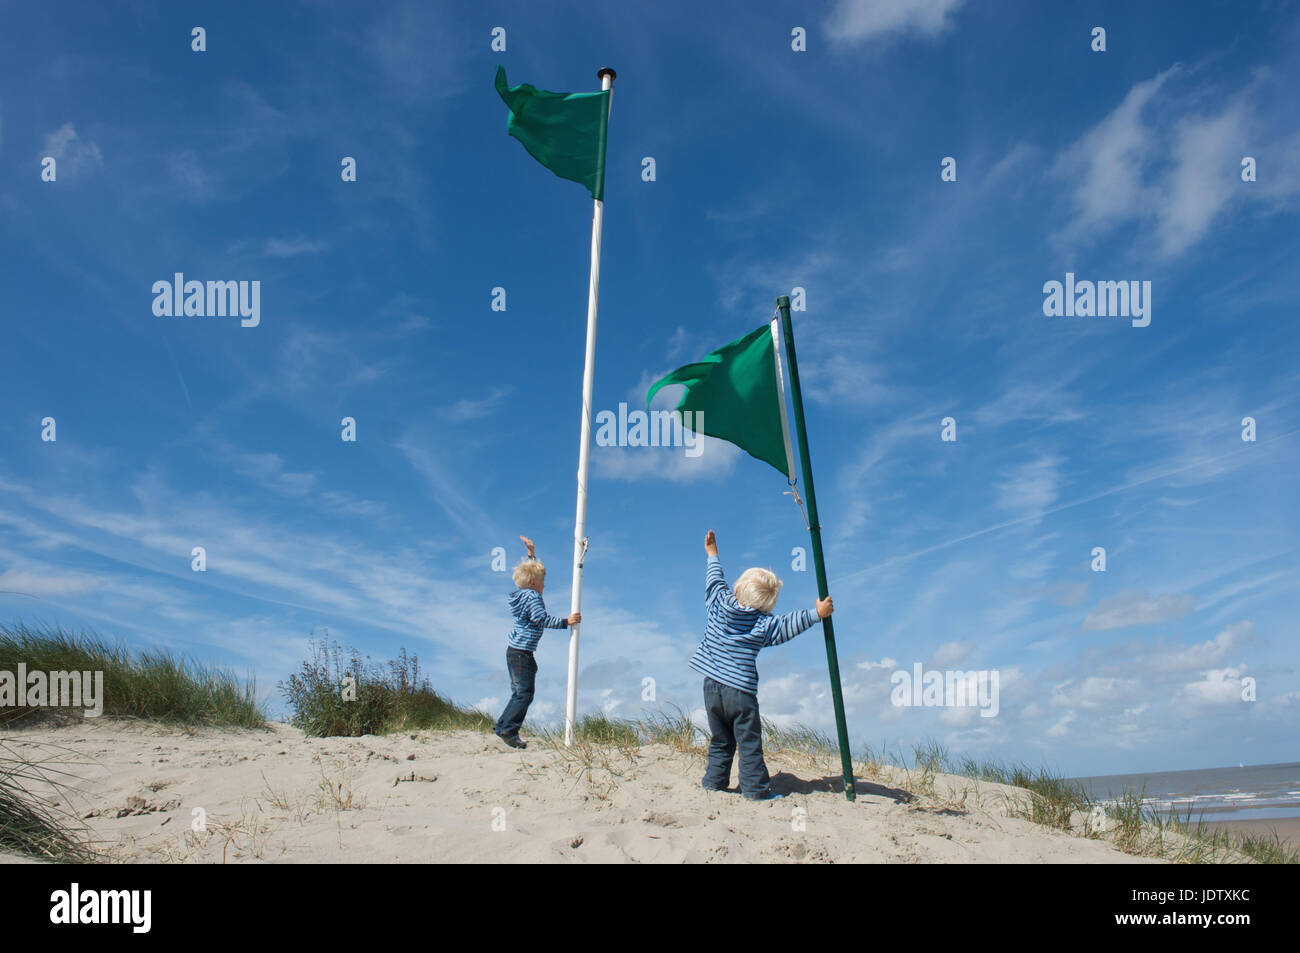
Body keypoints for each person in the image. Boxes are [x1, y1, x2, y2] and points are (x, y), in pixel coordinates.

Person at [692, 529, 832, 799]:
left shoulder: (718, 602)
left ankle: (714, 783)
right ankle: (755, 790)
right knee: (748, 741)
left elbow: (714, 580)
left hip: (711, 687)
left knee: (720, 740)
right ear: (766, 607)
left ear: (735, 589)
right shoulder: (762, 623)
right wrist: (816, 613)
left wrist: (712, 553)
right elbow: (789, 625)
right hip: (740, 693)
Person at [493, 535, 579, 749]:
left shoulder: (522, 594)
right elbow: (540, 618)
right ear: (533, 583)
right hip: (521, 652)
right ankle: (508, 730)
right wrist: (565, 622)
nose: (545, 585)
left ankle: (502, 725)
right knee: (524, 693)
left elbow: (531, 572)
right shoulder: (532, 597)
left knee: (519, 692)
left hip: (516, 651)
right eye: (542, 581)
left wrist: (531, 554)